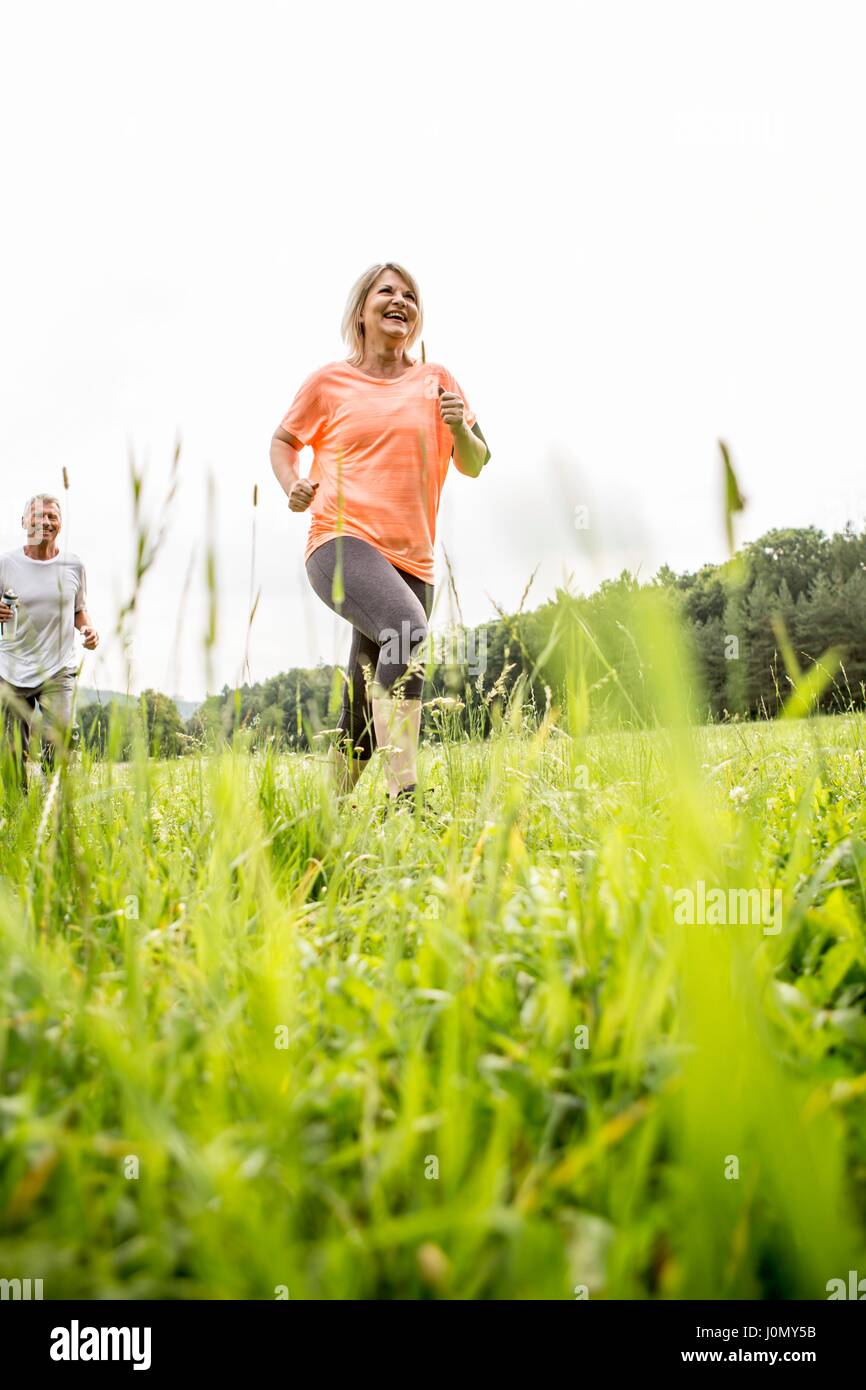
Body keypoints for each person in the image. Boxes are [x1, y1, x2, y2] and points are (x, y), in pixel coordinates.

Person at [270, 261, 490, 805]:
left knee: (364, 710)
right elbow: (283, 442)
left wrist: (460, 425)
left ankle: (323, 820)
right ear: (361, 311)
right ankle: (406, 795)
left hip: (413, 562)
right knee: (405, 631)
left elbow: (476, 462)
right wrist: (292, 484)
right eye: (386, 292)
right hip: (340, 540)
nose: (400, 301)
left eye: (410, 295)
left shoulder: (437, 379)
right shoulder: (329, 381)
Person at [0, 494, 99, 789]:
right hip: (12, 668)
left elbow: (79, 610)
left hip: (58, 667)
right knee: (9, 748)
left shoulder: (73, 565)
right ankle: (16, 812)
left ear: (60, 524)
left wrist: (88, 629)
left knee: (63, 733)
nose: (44, 522)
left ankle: (51, 797)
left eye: (52, 516)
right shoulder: (6, 564)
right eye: (37, 515)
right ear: (23, 522)